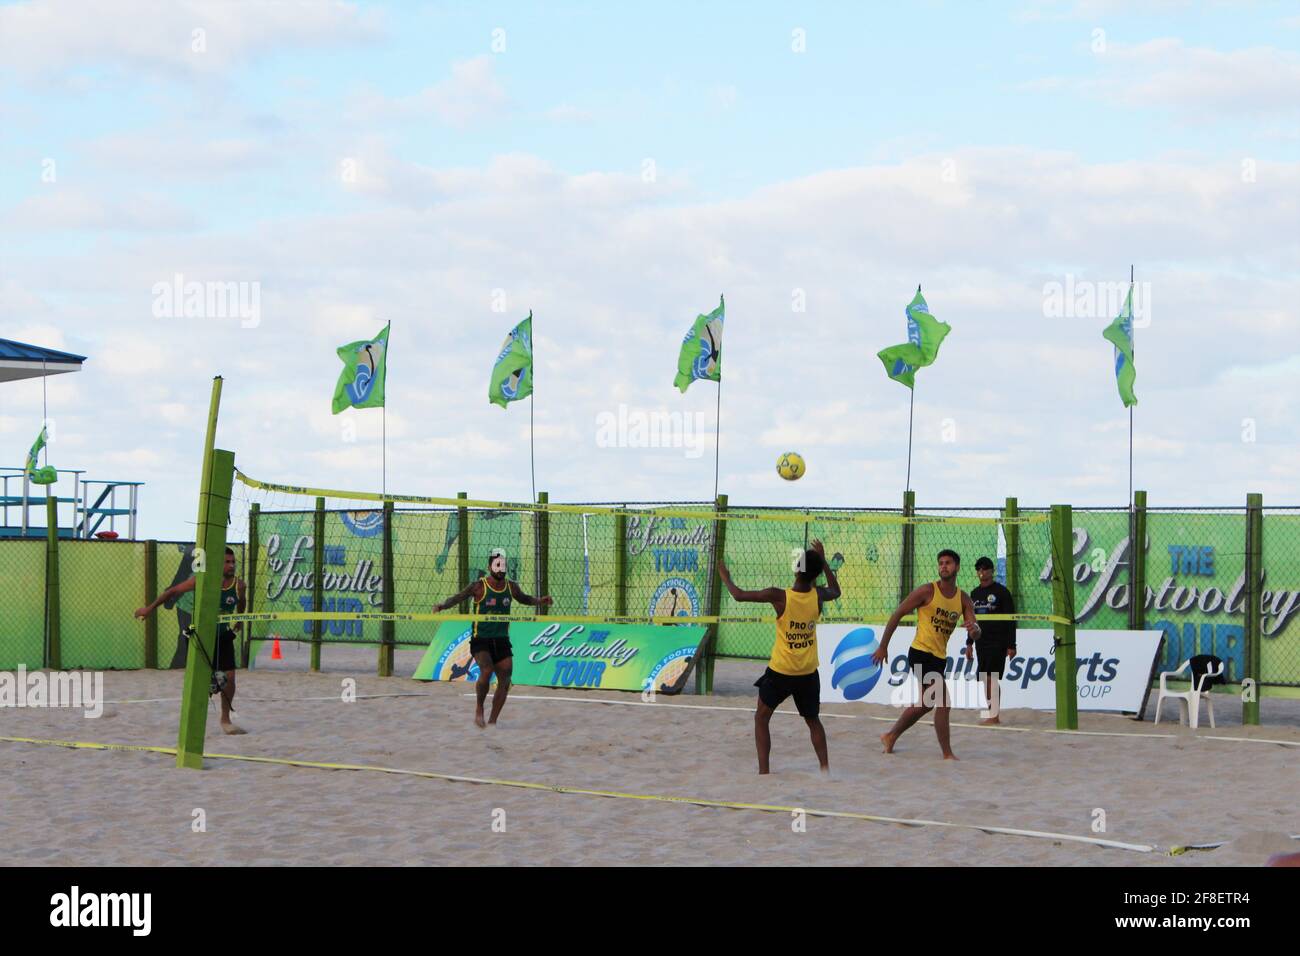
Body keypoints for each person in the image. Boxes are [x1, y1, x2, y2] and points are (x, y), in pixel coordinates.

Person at [718, 539, 841, 774]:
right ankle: (825, 770)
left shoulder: (780, 596)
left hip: (781, 671)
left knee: (761, 718)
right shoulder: (818, 596)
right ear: (815, 574)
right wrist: (823, 561)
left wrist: (725, 576)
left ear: (797, 568)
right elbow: (836, 590)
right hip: (807, 672)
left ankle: (764, 772)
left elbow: (739, 595)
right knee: (813, 721)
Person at [873, 549, 981, 759]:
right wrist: (883, 646)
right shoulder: (927, 591)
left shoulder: (963, 599)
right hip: (920, 652)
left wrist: (975, 630)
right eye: (940, 562)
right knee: (944, 701)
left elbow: (975, 630)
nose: (943, 566)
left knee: (925, 704)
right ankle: (947, 754)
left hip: (939, 658)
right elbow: (898, 614)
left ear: (957, 567)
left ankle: (891, 735)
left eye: (948, 563)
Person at [433, 548, 552, 728]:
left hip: (501, 639)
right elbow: (458, 598)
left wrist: (539, 601)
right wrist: (443, 606)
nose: (500, 568)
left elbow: (524, 599)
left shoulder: (511, 586)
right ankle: (479, 709)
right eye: (497, 565)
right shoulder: (479, 586)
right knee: (487, 670)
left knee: (505, 679)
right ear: (490, 567)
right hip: (481, 638)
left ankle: (493, 721)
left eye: (502, 565)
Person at [135, 546, 246, 735]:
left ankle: (225, 720)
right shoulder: (201, 580)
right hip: (201, 634)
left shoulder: (239, 585)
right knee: (201, 680)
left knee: (231, 678)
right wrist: (149, 609)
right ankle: (194, 719)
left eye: (233, 562)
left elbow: (242, 602)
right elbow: (171, 592)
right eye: (227, 562)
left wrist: (240, 619)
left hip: (223, 634)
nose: (231, 565)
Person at [967, 556, 1017, 725]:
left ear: (992, 571)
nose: (982, 572)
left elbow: (1011, 620)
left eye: (985, 569)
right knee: (984, 678)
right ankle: (991, 713)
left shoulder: (1002, 592)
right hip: (981, 641)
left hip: (998, 641)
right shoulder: (974, 593)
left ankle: (994, 715)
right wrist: (969, 644)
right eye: (979, 569)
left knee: (991, 678)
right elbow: (972, 621)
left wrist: (1011, 645)